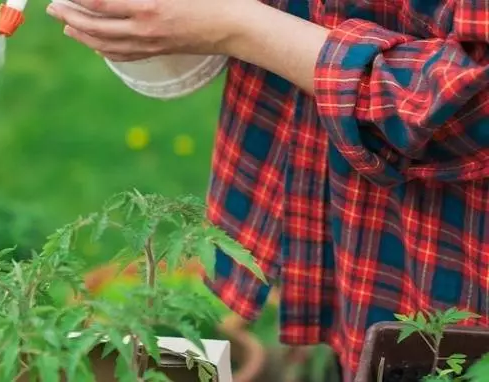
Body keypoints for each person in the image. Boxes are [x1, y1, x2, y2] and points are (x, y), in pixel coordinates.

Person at [46, 1, 489, 380]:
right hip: (354, 218)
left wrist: (237, 27)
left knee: (435, 357)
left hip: (451, 246)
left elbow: (473, 101)